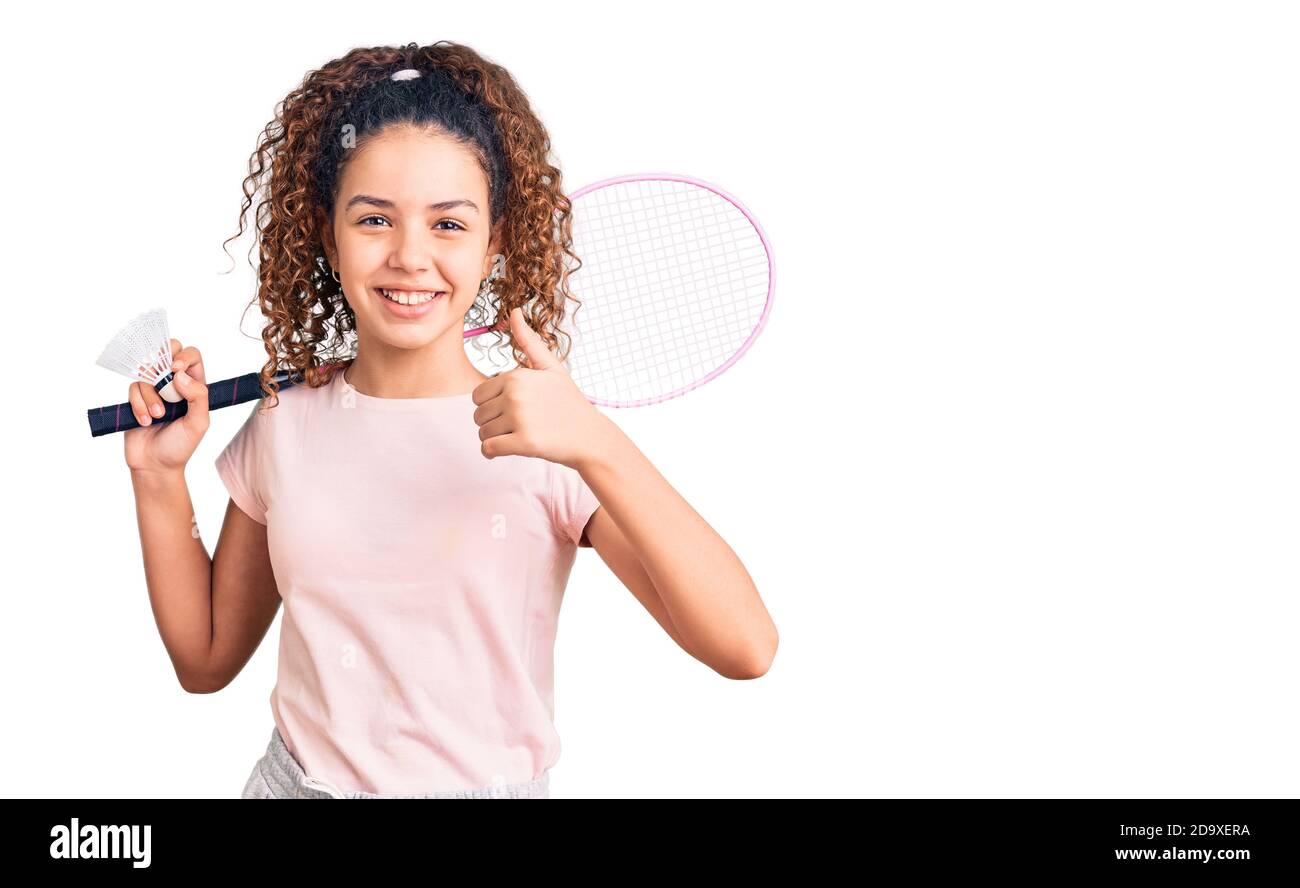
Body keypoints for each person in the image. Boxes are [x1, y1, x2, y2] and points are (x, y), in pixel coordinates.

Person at [123, 40, 777, 799]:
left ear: (493, 240)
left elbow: (746, 647)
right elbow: (204, 661)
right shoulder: (283, 421)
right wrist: (159, 476)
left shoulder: (547, 434)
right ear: (328, 234)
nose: (409, 256)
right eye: (374, 220)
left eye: (448, 225)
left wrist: (598, 442)